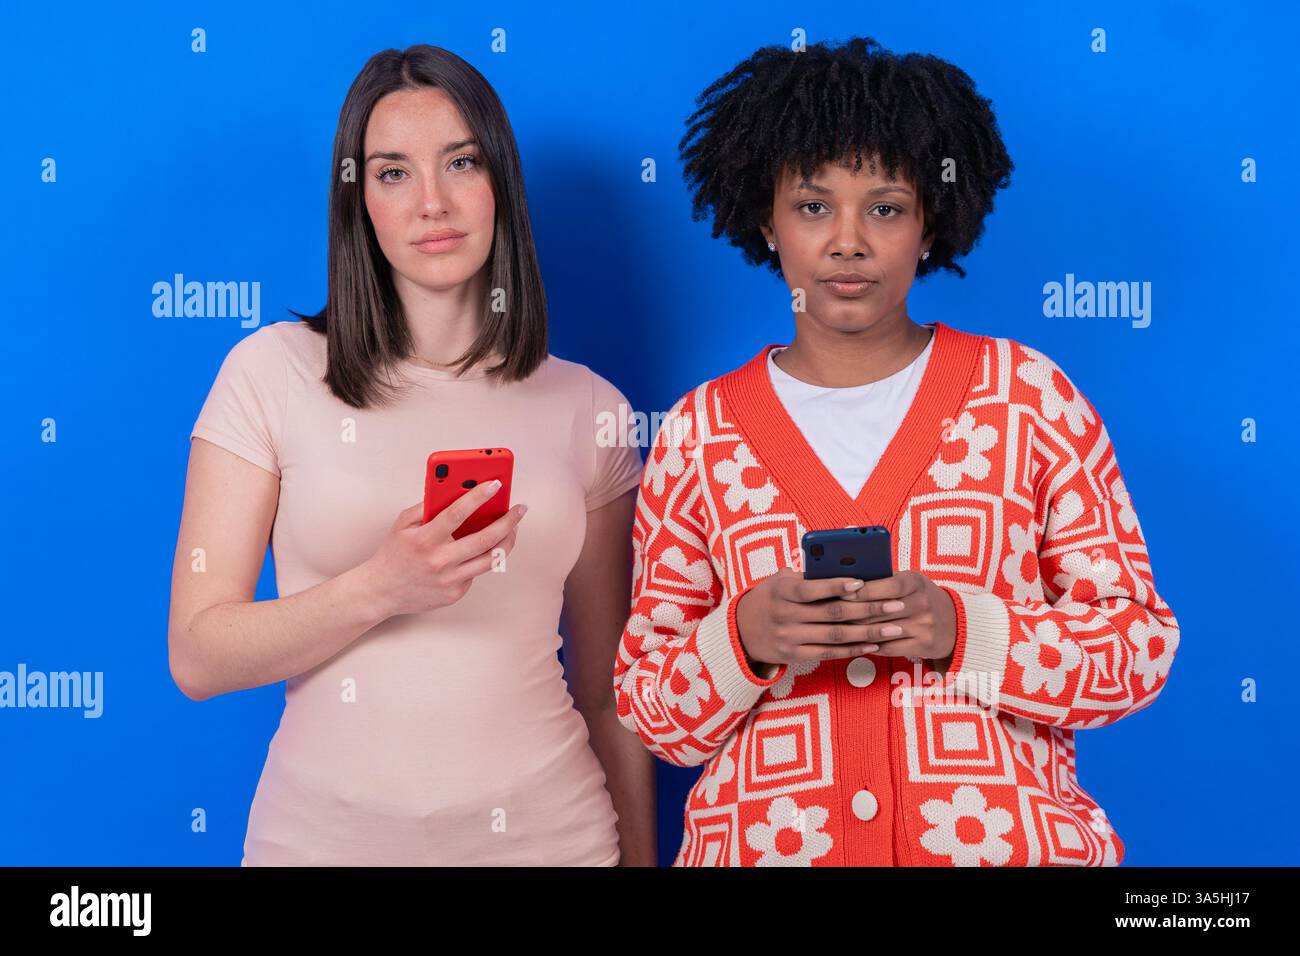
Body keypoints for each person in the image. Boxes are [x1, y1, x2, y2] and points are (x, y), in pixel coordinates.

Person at [613, 36, 1179, 866]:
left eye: (884, 207)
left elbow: (1136, 649)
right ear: (765, 220)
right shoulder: (700, 432)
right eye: (813, 207)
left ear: (930, 221)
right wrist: (743, 639)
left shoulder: (1026, 397)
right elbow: (650, 711)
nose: (848, 242)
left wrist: (966, 632)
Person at [168, 44, 655, 866]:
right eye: (393, 173)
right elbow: (198, 654)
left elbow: (609, 695)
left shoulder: (590, 407)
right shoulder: (272, 373)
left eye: (460, 162)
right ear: (358, 202)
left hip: (552, 842)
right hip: (320, 844)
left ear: (500, 182)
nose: (433, 202)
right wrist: (381, 587)